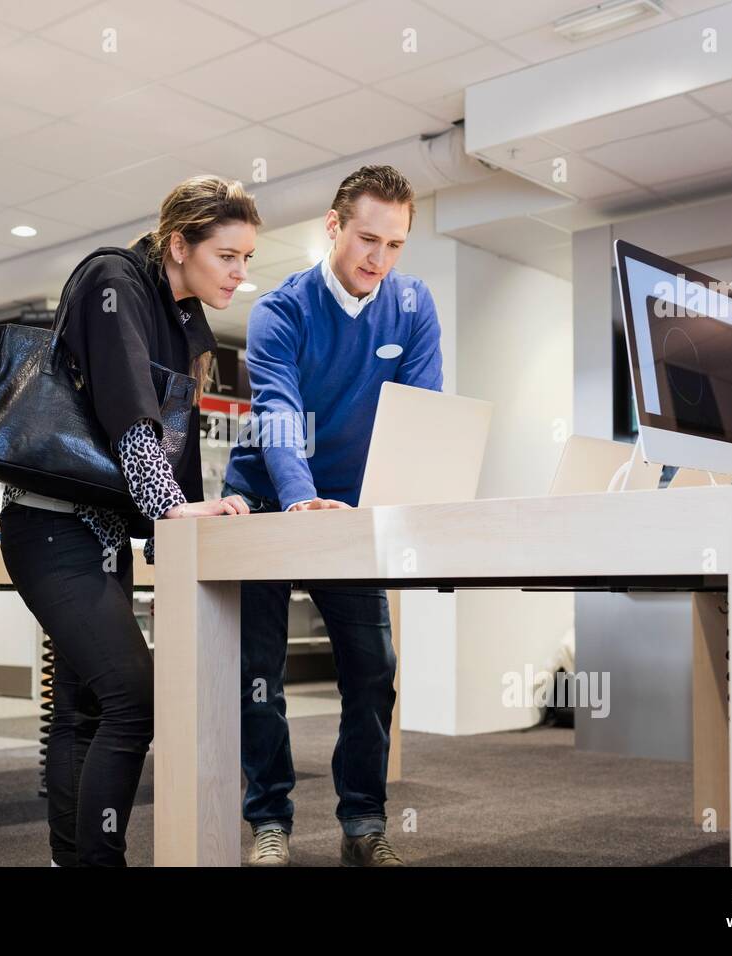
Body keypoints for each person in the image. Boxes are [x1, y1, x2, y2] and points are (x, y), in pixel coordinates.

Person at [0, 176, 260, 867]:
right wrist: (169, 507)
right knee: (133, 700)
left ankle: (70, 858)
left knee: (84, 710)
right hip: (49, 528)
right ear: (179, 243)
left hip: (101, 535)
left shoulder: (181, 319)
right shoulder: (114, 280)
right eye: (227, 255)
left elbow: (179, 431)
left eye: (246, 259)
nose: (239, 273)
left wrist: (185, 526)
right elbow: (128, 411)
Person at [223, 165, 443, 866]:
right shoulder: (280, 310)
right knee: (260, 672)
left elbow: (421, 412)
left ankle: (363, 822)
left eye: (396, 244)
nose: (379, 259)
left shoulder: (411, 305)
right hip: (268, 502)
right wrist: (297, 498)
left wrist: (400, 496)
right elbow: (279, 413)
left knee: (373, 669)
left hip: (349, 511)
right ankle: (269, 821)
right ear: (333, 226)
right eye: (367, 238)